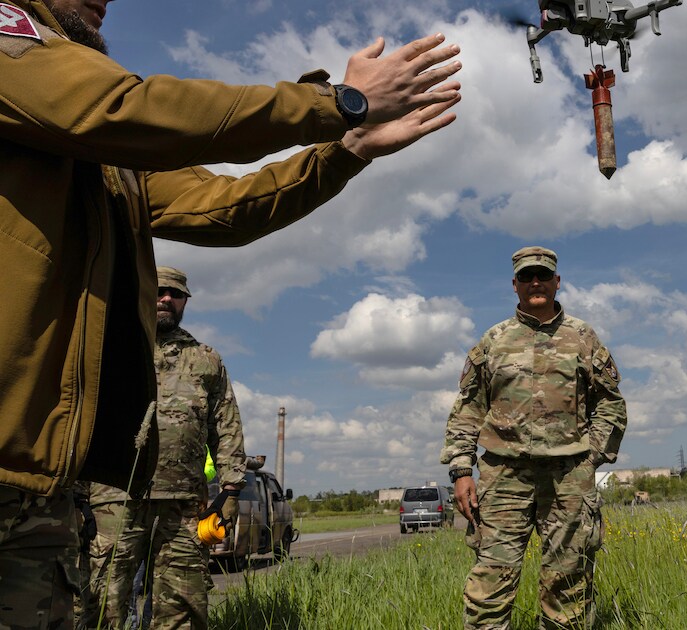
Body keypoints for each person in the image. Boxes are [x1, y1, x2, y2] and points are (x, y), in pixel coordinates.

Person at [0, 1, 462, 627]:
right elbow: (124, 107)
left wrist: (346, 149)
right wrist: (337, 103)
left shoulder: (108, 156)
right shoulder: (16, 46)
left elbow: (221, 206)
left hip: (39, 491)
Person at [441, 246, 627, 628]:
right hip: (503, 477)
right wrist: (461, 470)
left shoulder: (582, 337)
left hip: (568, 477)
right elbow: (468, 408)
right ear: (515, 284)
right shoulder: (493, 340)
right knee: (490, 582)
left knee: (568, 581)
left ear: (557, 281)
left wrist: (591, 457)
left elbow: (611, 404)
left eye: (543, 275)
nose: (536, 282)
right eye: (527, 276)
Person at [81, 267, 247, 628]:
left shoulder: (206, 359)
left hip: (182, 503)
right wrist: (77, 494)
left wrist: (231, 489)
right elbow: (80, 417)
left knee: (182, 605)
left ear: (185, 301)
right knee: (102, 600)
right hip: (114, 498)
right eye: (158, 291)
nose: (166, 299)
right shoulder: (110, 347)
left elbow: (226, 424)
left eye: (175, 293)